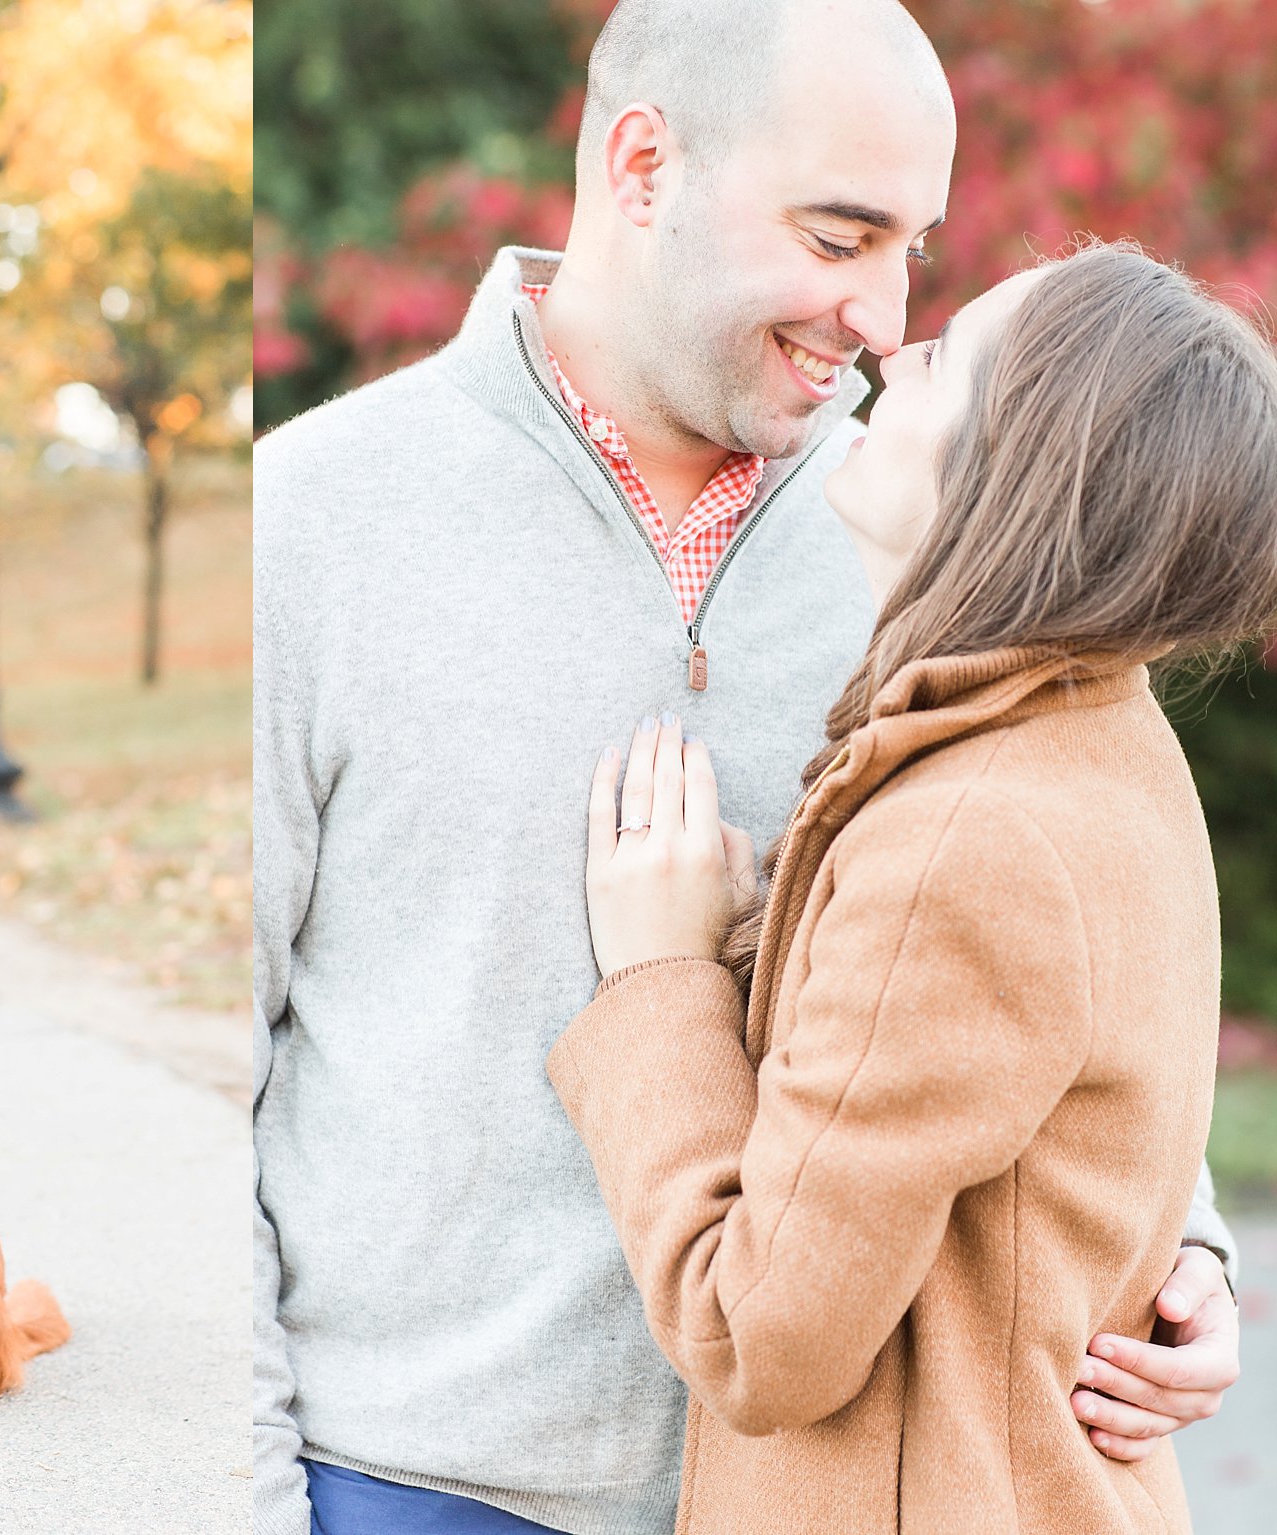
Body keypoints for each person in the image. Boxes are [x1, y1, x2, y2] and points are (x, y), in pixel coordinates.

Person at [253, 3, 1242, 1532]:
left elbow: (1080, 932)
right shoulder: (313, 521)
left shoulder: (957, 529)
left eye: (915, 248)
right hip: (421, 1487)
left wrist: (1177, 1248)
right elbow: (214, 1075)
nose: (880, 315)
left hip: (832, 1491)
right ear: (643, 166)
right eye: (841, 235)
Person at [551, 241, 1277, 1532]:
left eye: (941, 357)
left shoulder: (977, 836)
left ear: (1015, 471)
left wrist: (661, 980)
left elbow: (763, 1339)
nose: (894, 349)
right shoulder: (1110, 736)